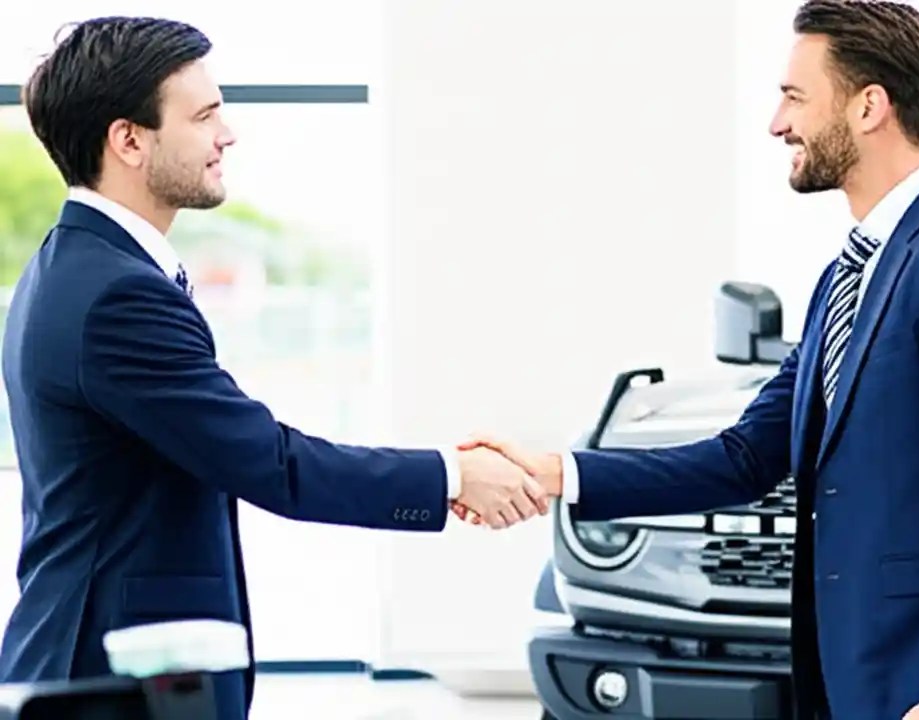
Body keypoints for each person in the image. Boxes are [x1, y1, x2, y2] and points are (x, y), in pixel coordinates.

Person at [456, 1, 919, 718]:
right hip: (842, 679)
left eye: (795, 96)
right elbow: (742, 458)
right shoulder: (844, 278)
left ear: (869, 107)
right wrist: (554, 472)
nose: (778, 124)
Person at [0, 16, 547, 720]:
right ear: (128, 139)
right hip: (114, 677)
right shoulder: (114, 294)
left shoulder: (72, 267)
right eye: (203, 116)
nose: (227, 135)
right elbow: (270, 462)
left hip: (96, 657)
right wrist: (452, 475)